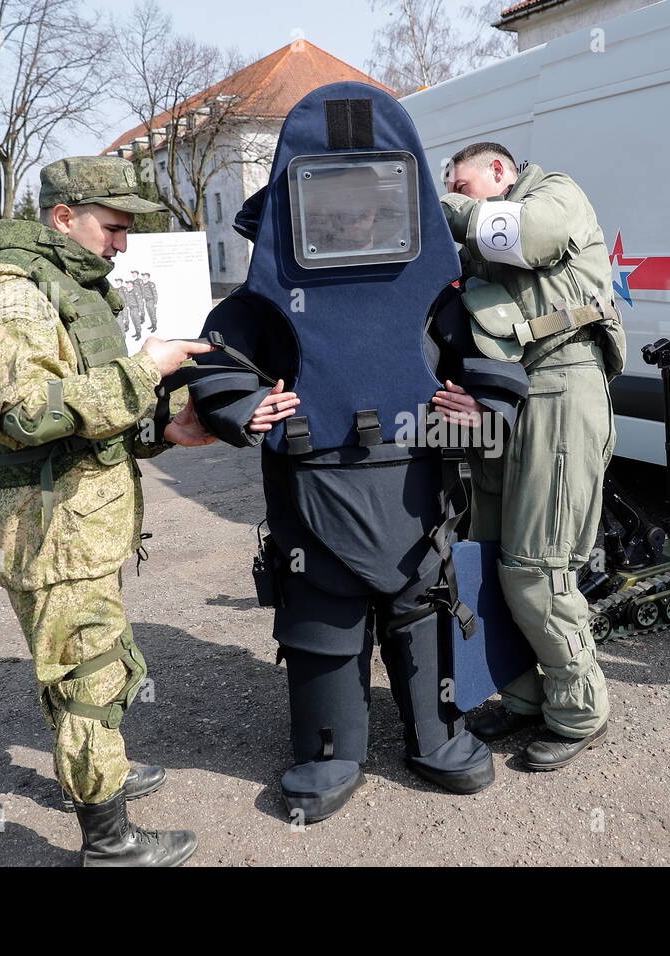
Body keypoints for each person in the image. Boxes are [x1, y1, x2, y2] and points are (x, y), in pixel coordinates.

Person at [179, 84, 529, 823]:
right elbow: (216, 359)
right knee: (322, 625)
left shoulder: (436, 289)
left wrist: (480, 412)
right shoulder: (269, 293)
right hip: (315, 503)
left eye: (369, 203)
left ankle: (436, 737)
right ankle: (330, 751)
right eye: (334, 207)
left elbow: (496, 370)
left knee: (425, 610)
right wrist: (244, 408)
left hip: (416, 498)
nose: (352, 222)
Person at [0, 155, 216, 866]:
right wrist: (142, 372)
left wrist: (165, 429)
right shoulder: (5, 293)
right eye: (113, 227)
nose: (122, 243)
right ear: (63, 218)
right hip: (48, 528)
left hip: (78, 521)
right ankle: (112, 843)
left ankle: (103, 776)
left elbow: (85, 415)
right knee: (88, 680)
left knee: (93, 663)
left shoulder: (57, 285)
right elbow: (25, 413)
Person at [439, 142, 627, 770]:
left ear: (499, 172)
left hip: (563, 384)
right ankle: (526, 693)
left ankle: (578, 710)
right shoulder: (482, 237)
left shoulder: (554, 194)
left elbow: (535, 236)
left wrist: (436, 207)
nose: (458, 200)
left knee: (537, 567)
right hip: (510, 393)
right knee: (494, 557)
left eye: (463, 186)